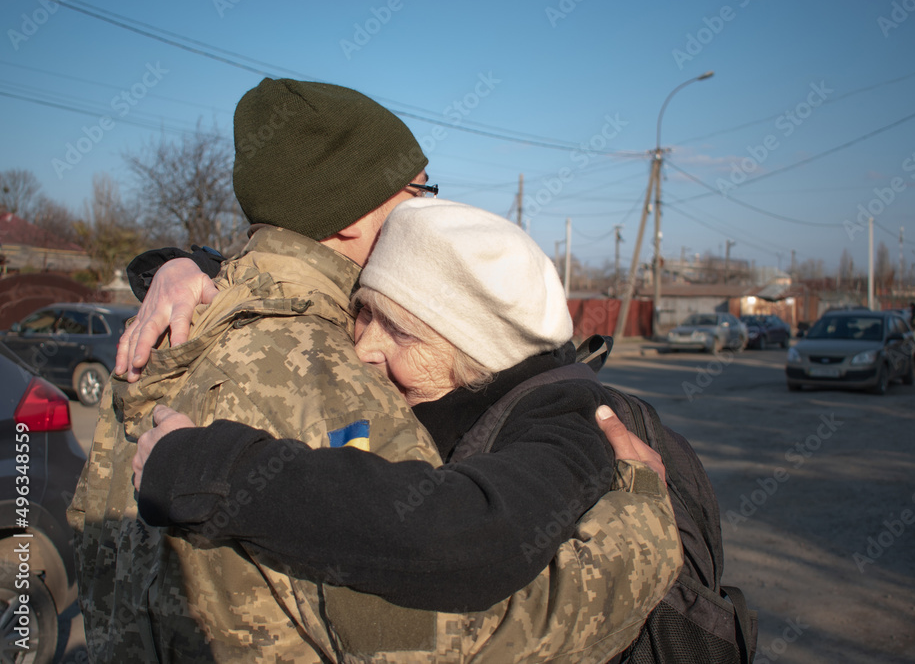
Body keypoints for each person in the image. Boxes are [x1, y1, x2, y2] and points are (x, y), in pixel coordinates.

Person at [69, 79, 680, 663]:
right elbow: (464, 644)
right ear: (349, 216)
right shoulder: (334, 386)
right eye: (418, 192)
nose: (428, 208)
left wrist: (177, 263)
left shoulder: (164, 338)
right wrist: (645, 528)